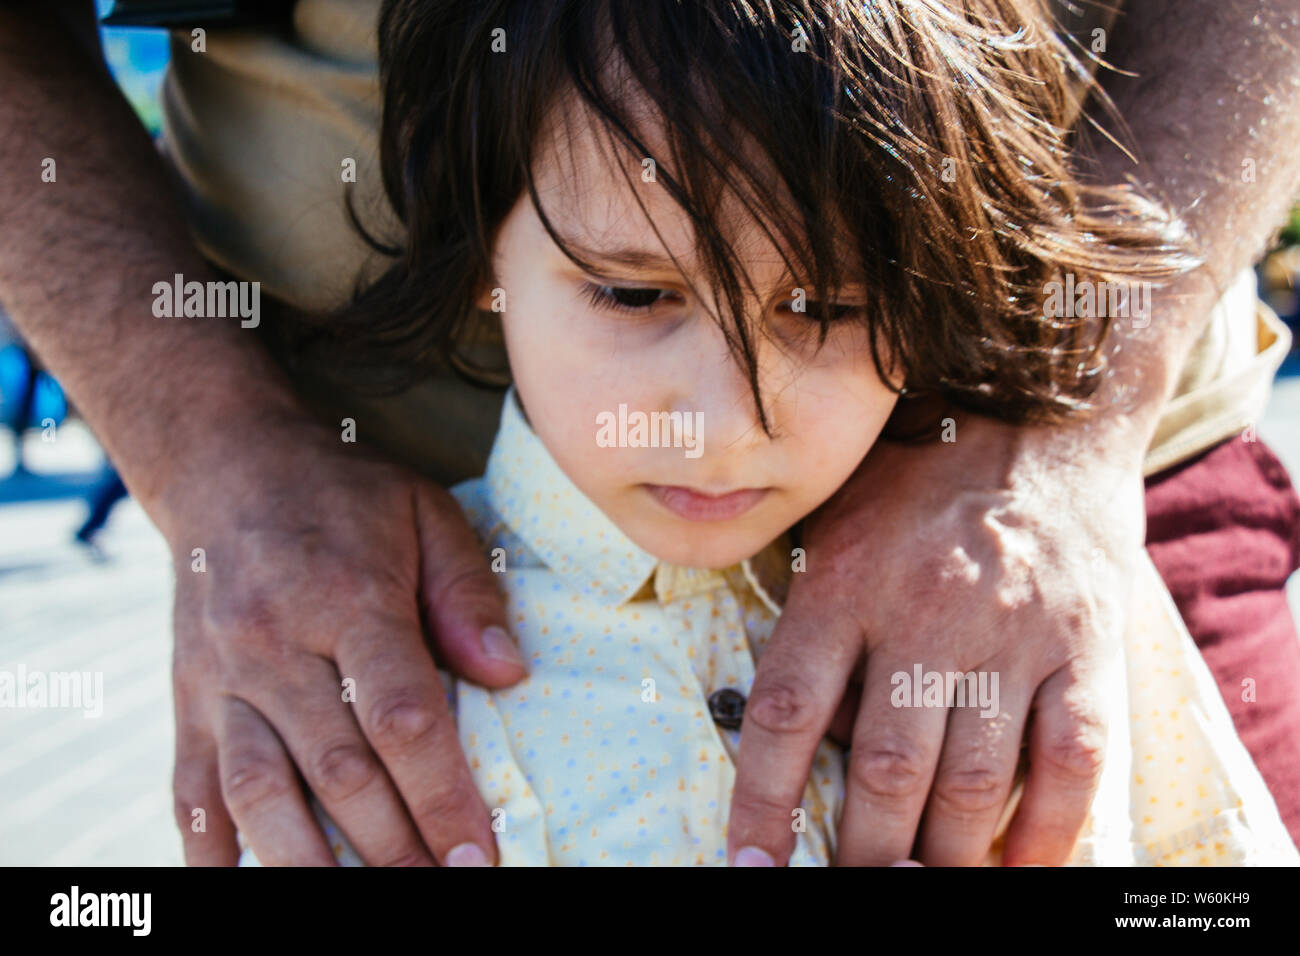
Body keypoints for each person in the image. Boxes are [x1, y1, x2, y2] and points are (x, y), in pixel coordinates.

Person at [1, 0, 1298, 868]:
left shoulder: (1114, 641)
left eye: (827, 308)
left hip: (1081, 484)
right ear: (471, 260)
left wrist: (1070, 419)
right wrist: (198, 443)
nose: (723, 425)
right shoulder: (349, 702)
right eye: (632, 292)